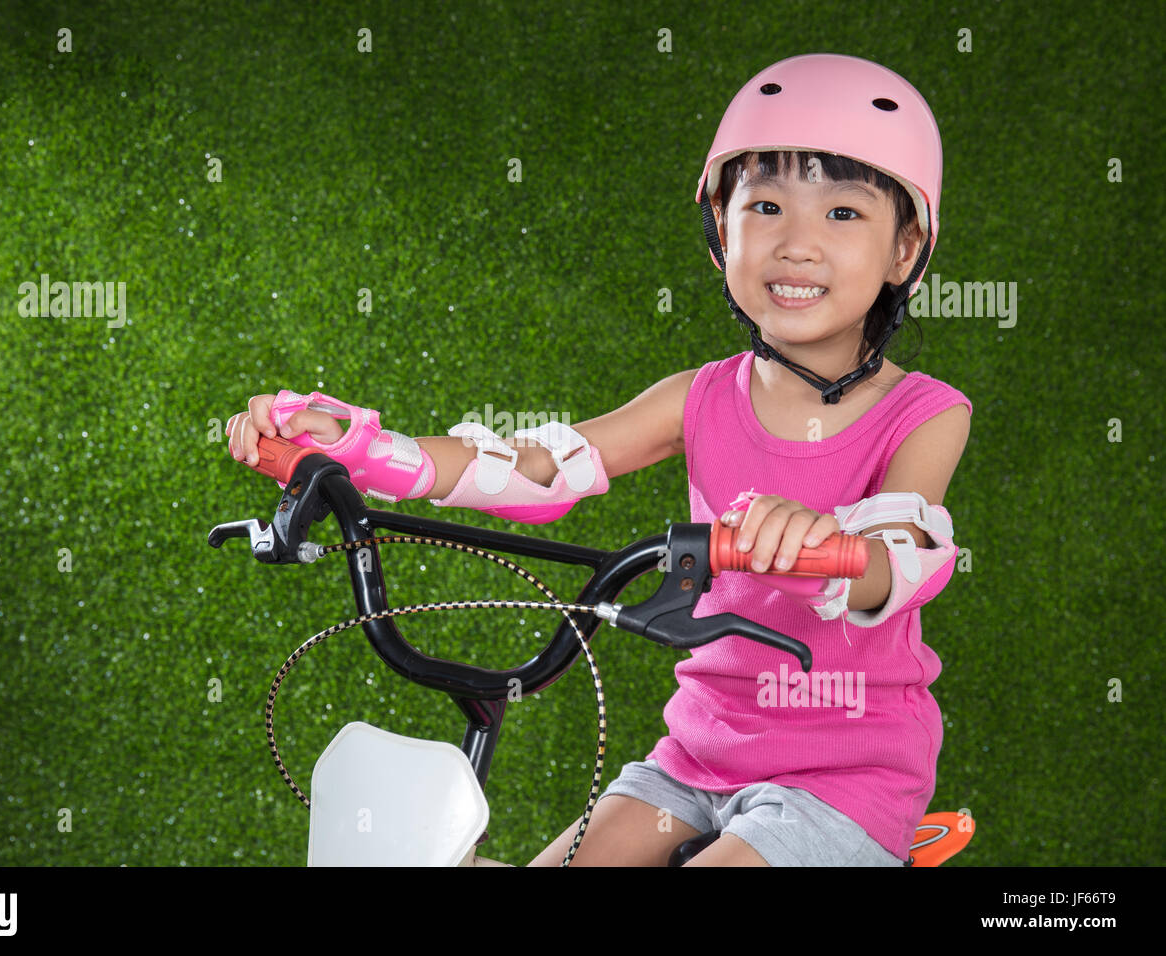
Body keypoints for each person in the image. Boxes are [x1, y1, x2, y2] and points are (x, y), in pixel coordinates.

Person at [226, 52, 971, 867]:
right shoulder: (697, 397)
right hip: (699, 754)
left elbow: (907, 550)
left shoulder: (925, 412)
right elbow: (540, 466)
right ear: (722, 233)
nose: (796, 244)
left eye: (841, 214)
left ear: (905, 250)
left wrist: (824, 545)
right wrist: (366, 451)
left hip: (847, 773)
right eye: (765, 205)